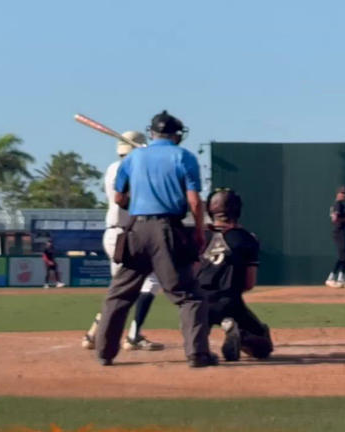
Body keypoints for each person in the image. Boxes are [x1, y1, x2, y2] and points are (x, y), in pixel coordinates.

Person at [94, 110, 215, 368]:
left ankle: (104, 353)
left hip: (135, 230)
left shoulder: (133, 158)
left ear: (151, 133)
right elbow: (194, 201)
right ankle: (197, 354)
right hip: (167, 229)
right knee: (188, 296)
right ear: (176, 135)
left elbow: (119, 199)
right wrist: (198, 232)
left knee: (119, 295)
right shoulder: (184, 157)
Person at [81, 132, 164, 351]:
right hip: (128, 235)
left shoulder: (112, 168)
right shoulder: (132, 170)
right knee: (151, 280)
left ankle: (93, 333)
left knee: (121, 289)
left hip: (114, 233)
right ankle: (134, 335)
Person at [197, 188, 273, 361]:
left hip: (199, 302)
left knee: (196, 332)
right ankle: (237, 331)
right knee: (263, 348)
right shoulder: (247, 238)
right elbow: (249, 283)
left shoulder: (199, 236)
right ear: (237, 210)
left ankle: (199, 342)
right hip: (230, 301)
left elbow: (192, 272)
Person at [325, 186, 345, 288]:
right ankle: (330, 278)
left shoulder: (342, 205)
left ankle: (341, 278)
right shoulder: (337, 205)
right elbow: (335, 220)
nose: (344, 195)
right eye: (342, 193)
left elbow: (344, 219)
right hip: (338, 232)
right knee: (343, 256)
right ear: (338, 194)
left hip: (342, 231)